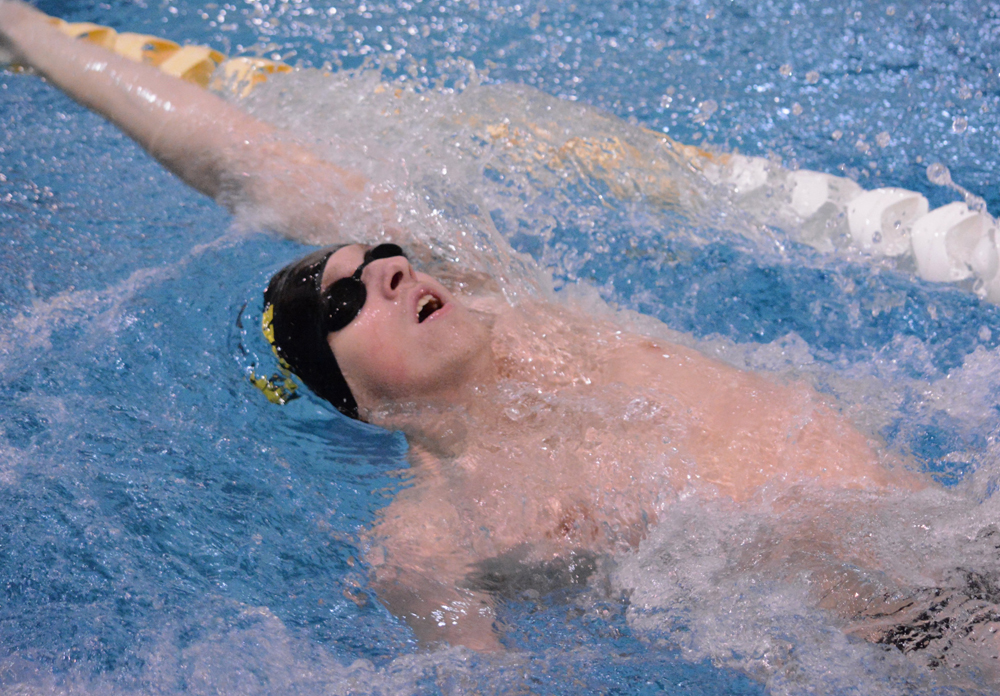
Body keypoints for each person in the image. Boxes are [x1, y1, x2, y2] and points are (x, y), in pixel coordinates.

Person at [3, 0, 992, 664]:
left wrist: (30, 34)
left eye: (377, 253)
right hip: (907, 643)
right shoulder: (430, 538)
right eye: (346, 303)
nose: (386, 269)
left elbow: (238, 157)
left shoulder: (505, 302)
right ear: (362, 402)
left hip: (960, 518)